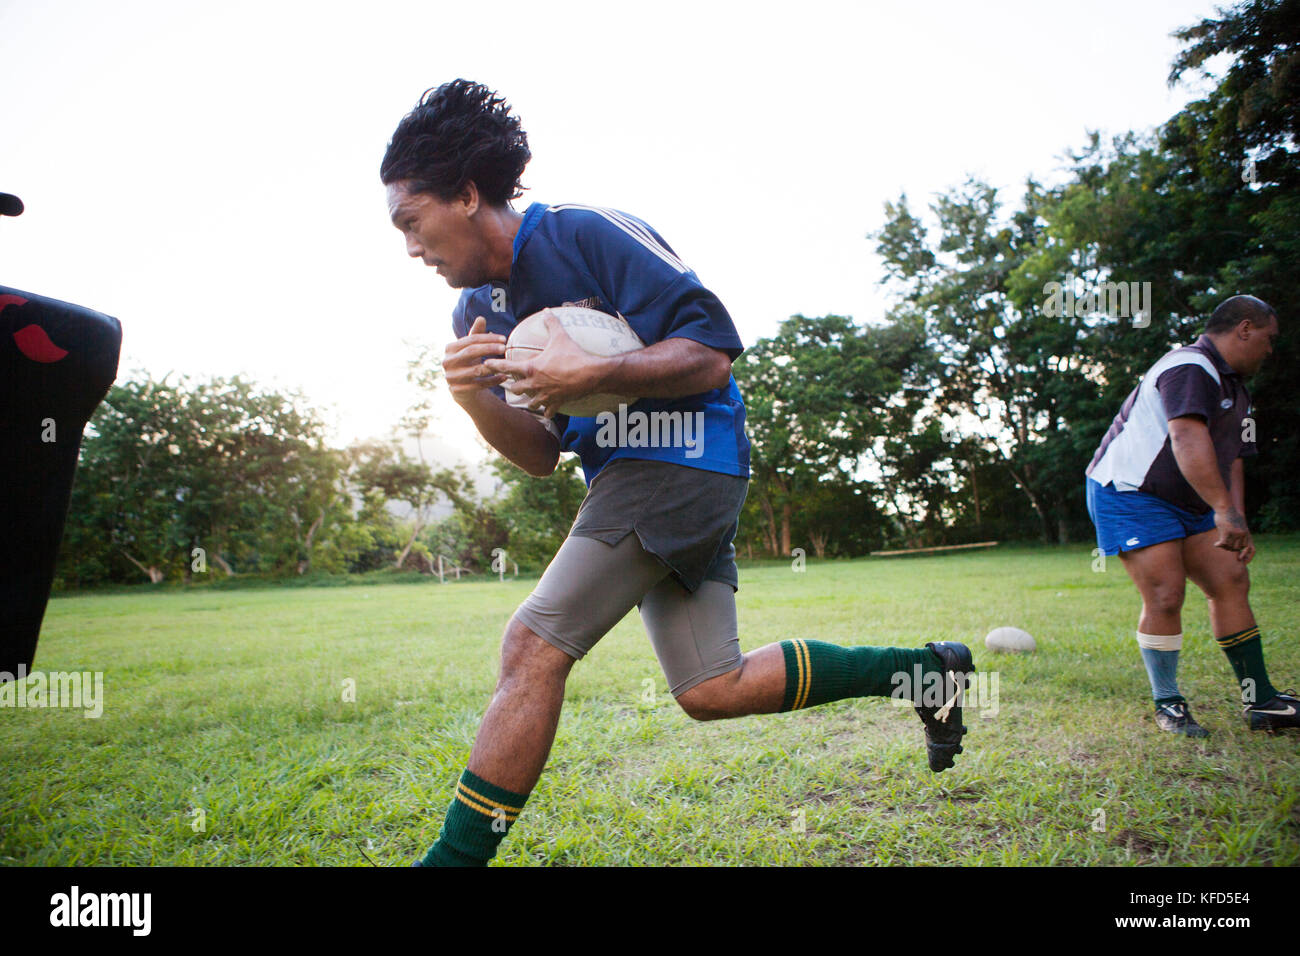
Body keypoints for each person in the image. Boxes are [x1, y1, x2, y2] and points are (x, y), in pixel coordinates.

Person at [381, 80, 974, 867]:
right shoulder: (475, 316)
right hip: (620, 476)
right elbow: (536, 453)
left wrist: (599, 367)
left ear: (464, 195)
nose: (410, 247)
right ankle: (925, 672)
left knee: (532, 645)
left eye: (410, 222)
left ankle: (450, 866)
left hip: (686, 456)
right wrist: (471, 399)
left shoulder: (585, 234)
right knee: (710, 687)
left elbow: (711, 351)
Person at [1085, 294, 1295, 737]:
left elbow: (1234, 456)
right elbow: (1184, 437)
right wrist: (1221, 508)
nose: (1270, 350)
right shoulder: (1189, 366)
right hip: (1131, 491)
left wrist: (1234, 517)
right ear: (1244, 329)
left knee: (1230, 579)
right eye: (1268, 339)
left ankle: (1261, 701)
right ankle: (1168, 703)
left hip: (1193, 497)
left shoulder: (1237, 389)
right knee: (1166, 593)